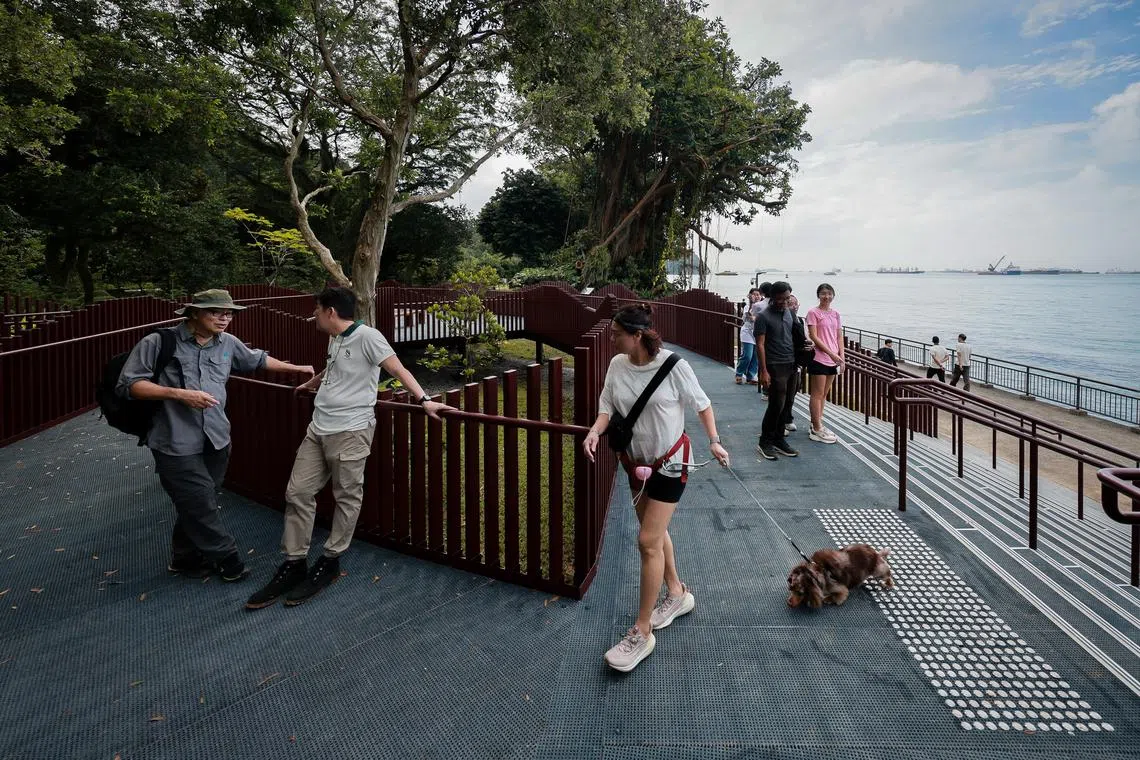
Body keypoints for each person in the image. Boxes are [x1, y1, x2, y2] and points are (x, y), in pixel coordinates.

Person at [246, 287, 452, 608]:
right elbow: (333, 368)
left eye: (316, 310)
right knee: (297, 492)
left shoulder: (368, 336)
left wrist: (424, 400)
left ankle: (330, 559)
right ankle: (295, 562)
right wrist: (310, 384)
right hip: (318, 428)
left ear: (330, 312)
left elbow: (397, 368)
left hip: (351, 431)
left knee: (346, 495)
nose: (314, 316)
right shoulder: (336, 338)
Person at [117, 289, 315, 581]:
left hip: (217, 438)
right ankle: (229, 560)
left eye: (229, 313)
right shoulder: (159, 342)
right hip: (174, 439)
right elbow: (129, 385)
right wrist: (179, 394)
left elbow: (257, 360)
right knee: (201, 502)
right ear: (195, 313)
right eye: (216, 312)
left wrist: (296, 368)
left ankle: (184, 558)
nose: (224, 318)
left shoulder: (227, 343)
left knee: (197, 500)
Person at [582, 304, 730, 672]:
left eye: (617, 334)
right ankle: (677, 593)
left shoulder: (674, 366)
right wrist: (595, 431)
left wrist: (714, 441)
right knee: (655, 533)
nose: (612, 339)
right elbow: (607, 406)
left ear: (637, 336)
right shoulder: (617, 365)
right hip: (635, 464)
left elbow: (702, 405)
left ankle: (642, 630)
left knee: (648, 541)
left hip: (671, 463)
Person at [753, 281, 799, 460]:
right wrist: (763, 371)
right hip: (774, 364)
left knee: (788, 403)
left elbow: (794, 336)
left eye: (787, 298)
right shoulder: (763, 317)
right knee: (776, 405)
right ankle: (765, 441)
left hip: (791, 363)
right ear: (772, 297)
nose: (784, 302)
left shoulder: (790, 313)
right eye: (780, 299)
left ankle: (779, 439)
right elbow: (760, 345)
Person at [805, 283, 843, 444]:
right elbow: (814, 336)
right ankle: (816, 427)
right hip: (819, 357)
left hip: (833, 359)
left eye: (829, 293)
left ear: (833, 295)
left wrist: (842, 357)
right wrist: (832, 354)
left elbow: (839, 336)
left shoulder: (836, 314)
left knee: (824, 394)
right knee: (817, 393)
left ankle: (818, 423)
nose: (826, 296)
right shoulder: (813, 312)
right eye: (823, 293)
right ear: (818, 295)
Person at [734, 288, 762, 385]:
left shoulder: (763, 307)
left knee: (756, 357)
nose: (757, 296)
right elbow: (749, 317)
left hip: (758, 333)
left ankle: (751, 376)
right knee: (747, 356)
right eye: (754, 294)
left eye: (758, 294)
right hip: (747, 333)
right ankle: (739, 373)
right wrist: (751, 304)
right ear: (750, 295)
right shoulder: (747, 306)